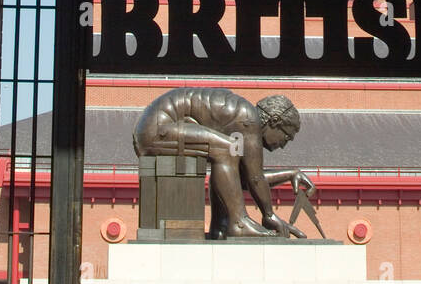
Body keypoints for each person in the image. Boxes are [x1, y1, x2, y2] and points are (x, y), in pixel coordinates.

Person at [132, 87, 313, 239]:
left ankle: (221, 226)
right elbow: (255, 178)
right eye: (286, 137)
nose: (282, 145)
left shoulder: (243, 116)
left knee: (224, 155)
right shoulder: (248, 119)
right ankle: (238, 224)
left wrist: (291, 174)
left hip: (154, 129)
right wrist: (269, 215)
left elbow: (240, 180)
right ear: (275, 121)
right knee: (226, 150)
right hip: (157, 130)